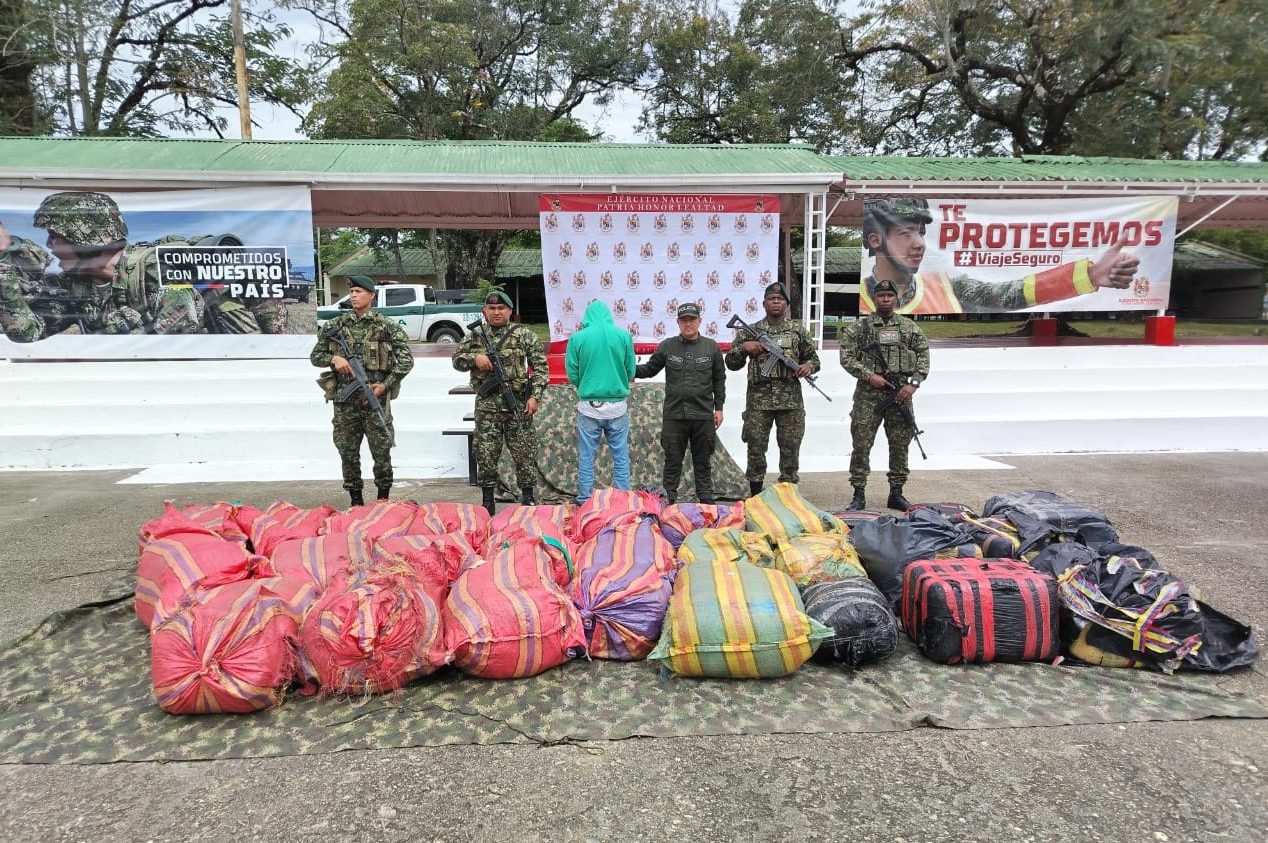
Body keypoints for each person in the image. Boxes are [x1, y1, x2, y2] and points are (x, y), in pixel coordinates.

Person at [861, 198, 1141, 314]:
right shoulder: (860, 299)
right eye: (906, 233)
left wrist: (1090, 275)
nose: (919, 244)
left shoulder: (946, 288)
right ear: (876, 241)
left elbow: (1011, 293)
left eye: (921, 233)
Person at [8, 192, 207, 335]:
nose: (48, 244)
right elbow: (28, 331)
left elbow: (177, 348)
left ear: (84, 240)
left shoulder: (154, 273)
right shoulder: (75, 284)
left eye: (54, 235)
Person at [310, 275, 413, 507]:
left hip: (375, 399)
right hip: (345, 402)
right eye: (352, 291)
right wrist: (334, 358)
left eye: (359, 291)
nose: (354, 295)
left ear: (371, 296)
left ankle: (383, 500)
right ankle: (355, 501)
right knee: (347, 452)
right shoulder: (335, 325)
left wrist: (385, 385)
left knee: (381, 451)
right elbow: (316, 356)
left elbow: (406, 360)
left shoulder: (386, 326)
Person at [452, 290, 548, 515]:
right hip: (487, 407)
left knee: (524, 451)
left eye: (501, 308)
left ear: (510, 311)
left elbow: (541, 369)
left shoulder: (524, 335)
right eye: (492, 308)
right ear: (484, 311)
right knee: (486, 453)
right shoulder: (474, 336)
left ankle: (528, 496)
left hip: (517, 404)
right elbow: (457, 360)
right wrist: (475, 358)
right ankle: (487, 499)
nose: (497, 312)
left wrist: (535, 396)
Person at [839, 278, 930, 511]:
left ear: (896, 298)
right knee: (861, 444)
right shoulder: (860, 328)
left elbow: (923, 355)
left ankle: (896, 493)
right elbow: (846, 356)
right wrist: (869, 376)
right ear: (874, 298)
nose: (885, 299)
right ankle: (858, 494)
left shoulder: (909, 327)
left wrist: (913, 385)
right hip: (868, 395)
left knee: (900, 445)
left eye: (890, 295)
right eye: (881, 295)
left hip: (900, 395)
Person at [725, 281, 820, 497]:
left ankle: (788, 494)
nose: (776, 302)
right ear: (764, 303)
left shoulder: (797, 331)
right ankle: (755, 493)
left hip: (790, 401)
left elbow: (814, 359)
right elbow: (731, 363)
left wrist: (808, 366)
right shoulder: (750, 331)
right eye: (771, 299)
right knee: (756, 447)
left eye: (780, 299)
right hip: (758, 401)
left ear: (786, 304)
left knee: (790, 448)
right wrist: (744, 348)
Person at [635, 302, 726, 504]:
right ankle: (669, 499)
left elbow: (719, 379)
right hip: (675, 414)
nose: (688, 324)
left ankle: (705, 499)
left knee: (703, 461)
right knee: (672, 461)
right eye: (684, 320)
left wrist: (719, 408)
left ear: (699, 321)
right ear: (678, 322)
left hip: (703, 414)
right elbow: (649, 370)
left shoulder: (711, 347)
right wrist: (624, 367)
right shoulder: (668, 346)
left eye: (692, 319)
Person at [565, 299, 636, 504]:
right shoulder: (623, 336)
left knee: (587, 456)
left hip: (589, 406)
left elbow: (572, 372)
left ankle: (585, 499)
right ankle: (622, 499)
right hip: (617, 407)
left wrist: (586, 386)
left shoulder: (577, 338)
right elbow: (630, 370)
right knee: (620, 456)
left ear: (587, 317)